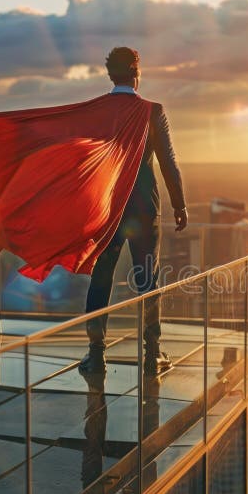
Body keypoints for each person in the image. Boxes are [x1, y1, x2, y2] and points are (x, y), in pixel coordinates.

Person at [79, 47, 188, 376]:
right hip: (143, 209)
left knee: (101, 279)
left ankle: (96, 355)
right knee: (147, 280)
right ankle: (153, 354)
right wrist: (179, 203)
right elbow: (167, 161)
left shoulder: (98, 111)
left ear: (111, 75)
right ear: (136, 74)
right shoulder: (153, 111)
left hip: (107, 208)